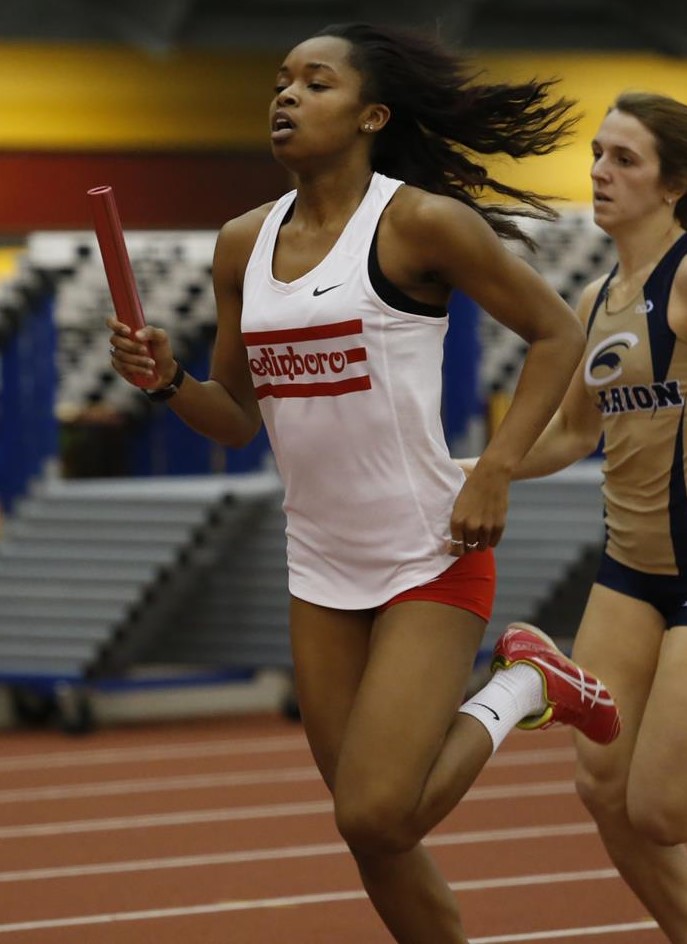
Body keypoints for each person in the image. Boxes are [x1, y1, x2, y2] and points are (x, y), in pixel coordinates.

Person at [107, 23, 620, 943]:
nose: (287, 96)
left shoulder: (418, 222)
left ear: (371, 115)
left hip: (429, 547)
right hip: (320, 567)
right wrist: (170, 381)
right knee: (372, 839)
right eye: (281, 81)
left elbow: (556, 334)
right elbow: (234, 417)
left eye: (315, 82)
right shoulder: (239, 245)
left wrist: (496, 468)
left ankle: (524, 685)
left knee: (376, 814)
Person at [461, 91, 687, 942]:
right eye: (596, 154)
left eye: (623, 159)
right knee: (601, 792)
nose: (598, 172)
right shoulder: (595, 298)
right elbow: (567, 435)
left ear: (674, 185)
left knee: (661, 807)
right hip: (630, 570)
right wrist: (475, 467)